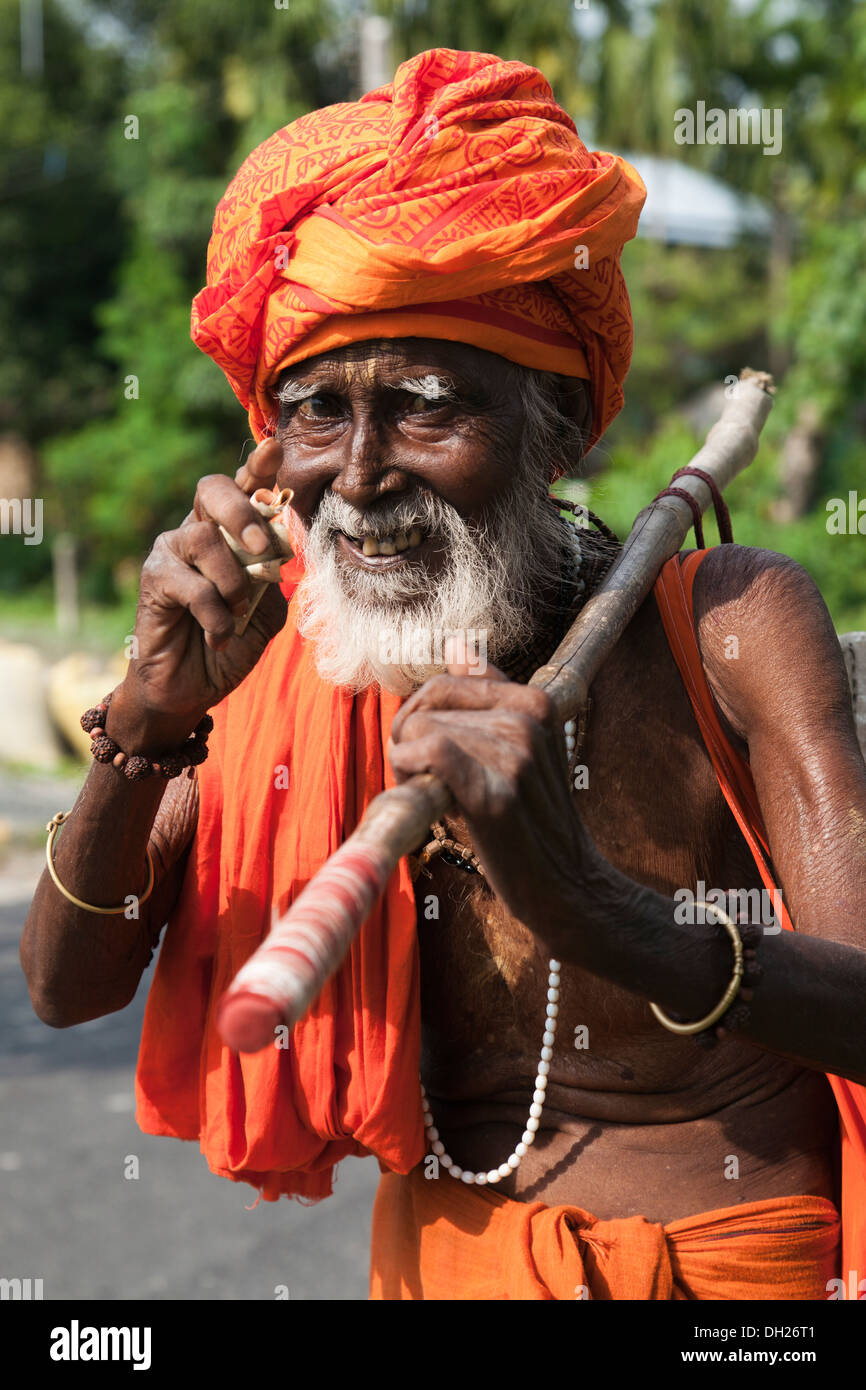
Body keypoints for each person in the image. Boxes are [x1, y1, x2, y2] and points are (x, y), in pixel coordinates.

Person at [21, 48, 866, 1301]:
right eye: (314, 413)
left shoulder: (728, 624)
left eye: (424, 409)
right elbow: (61, 986)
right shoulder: (279, 657)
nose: (357, 479)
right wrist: (144, 728)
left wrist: (594, 909)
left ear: (560, 430)